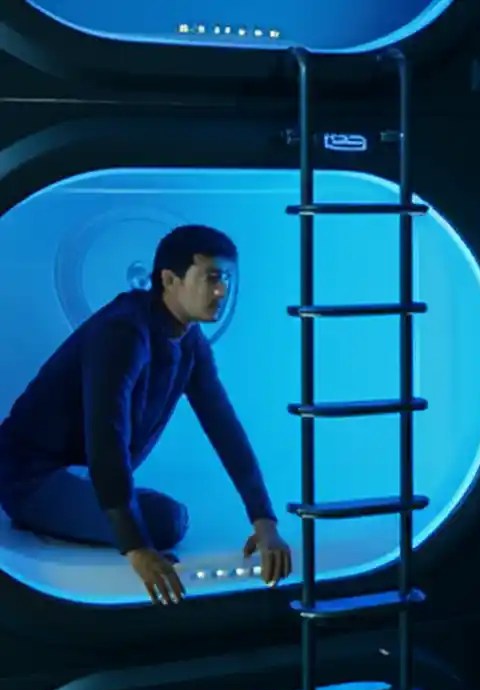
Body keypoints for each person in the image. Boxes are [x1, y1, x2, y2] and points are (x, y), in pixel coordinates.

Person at [0, 225, 293, 605]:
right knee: (165, 523)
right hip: (28, 476)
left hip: (80, 472)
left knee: (170, 518)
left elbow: (224, 427)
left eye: (228, 280)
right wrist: (136, 548)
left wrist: (264, 521)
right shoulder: (122, 332)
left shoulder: (189, 341)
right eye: (213, 278)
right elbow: (107, 435)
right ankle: (45, 513)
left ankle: (83, 507)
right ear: (169, 279)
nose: (222, 291)